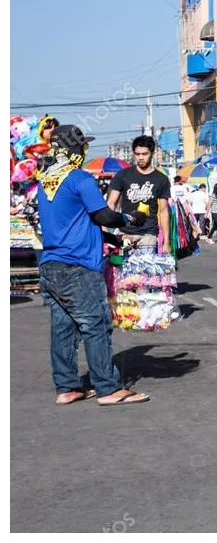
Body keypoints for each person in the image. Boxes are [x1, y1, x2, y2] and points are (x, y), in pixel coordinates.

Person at [36, 124, 150, 406]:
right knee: (95, 325)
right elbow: (102, 216)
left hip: (50, 266)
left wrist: (114, 238)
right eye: (82, 146)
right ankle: (108, 388)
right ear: (75, 150)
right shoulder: (80, 179)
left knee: (63, 328)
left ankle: (67, 387)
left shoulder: (46, 181)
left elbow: (76, 222)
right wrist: (128, 219)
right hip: (77, 267)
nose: (85, 151)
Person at [106, 135, 171, 254]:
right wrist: (107, 233)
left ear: (152, 153)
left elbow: (164, 211)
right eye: (137, 154)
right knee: (124, 270)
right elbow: (111, 203)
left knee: (144, 270)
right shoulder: (123, 175)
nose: (141, 157)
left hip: (149, 233)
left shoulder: (161, 179)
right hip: (125, 232)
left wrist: (166, 242)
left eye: (144, 154)